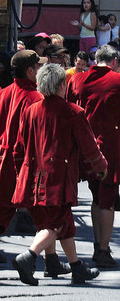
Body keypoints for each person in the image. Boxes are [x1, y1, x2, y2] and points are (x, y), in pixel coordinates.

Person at [0, 48, 67, 280]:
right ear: (30, 71)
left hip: (2, 162)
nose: (41, 70)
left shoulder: (0, 94)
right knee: (46, 215)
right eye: (38, 66)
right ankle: (43, 259)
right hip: (28, 166)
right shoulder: (37, 99)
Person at [11, 62, 107, 286]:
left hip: (32, 177)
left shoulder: (31, 110)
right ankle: (28, 257)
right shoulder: (72, 112)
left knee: (62, 223)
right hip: (57, 179)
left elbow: (19, 148)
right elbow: (88, 145)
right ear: (62, 85)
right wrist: (100, 165)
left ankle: (74, 267)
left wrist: (20, 173)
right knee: (58, 224)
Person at [68, 43, 120, 268]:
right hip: (110, 147)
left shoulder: (77, 80)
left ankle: (99, 245)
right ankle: (103, 249)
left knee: (96, 196)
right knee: (106, 200)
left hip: (85, 147)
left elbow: (68, 107)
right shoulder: (118, 81)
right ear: (115, 61)